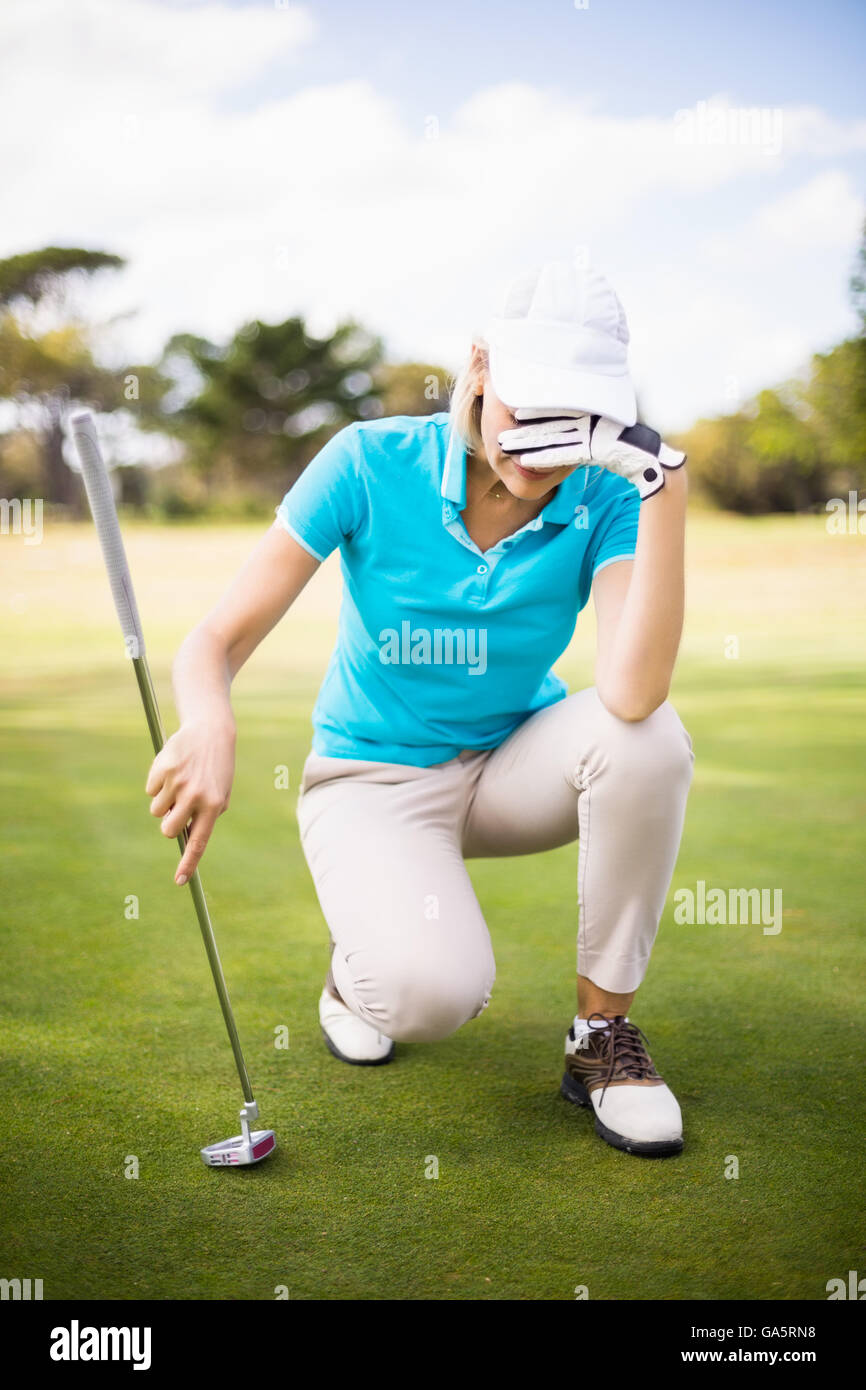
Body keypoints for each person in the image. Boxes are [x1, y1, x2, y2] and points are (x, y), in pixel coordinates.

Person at [145, 258, 694, 1158]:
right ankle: (356, 975)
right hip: (373, 779)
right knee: (428, 998)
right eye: (530, 411)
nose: (546, 451)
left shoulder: (604, 495)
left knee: (649, 739)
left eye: (576, 424)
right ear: (478, 367)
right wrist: (209, 719)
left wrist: (663, 484)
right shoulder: (368, 461)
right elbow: (213, 641)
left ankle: (601, 1042)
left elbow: (632, 693)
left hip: (512, 768)